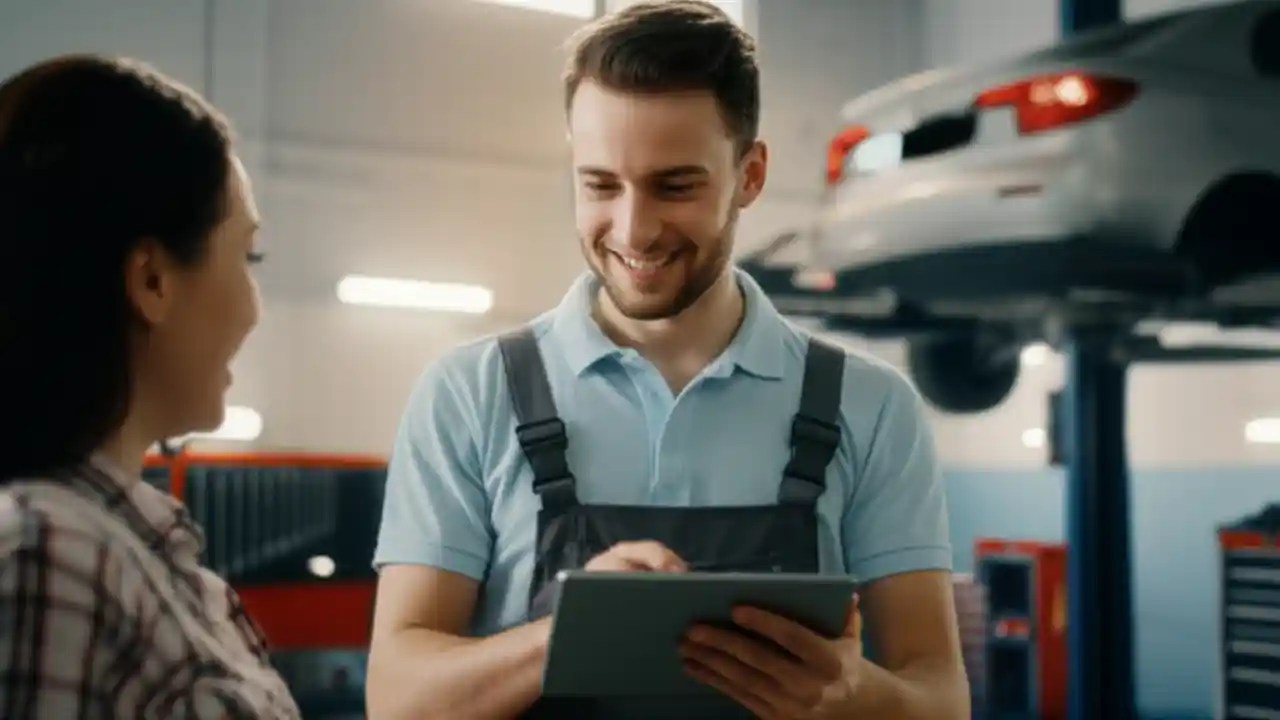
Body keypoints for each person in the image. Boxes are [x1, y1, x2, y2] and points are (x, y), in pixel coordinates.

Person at [367, 2, 969, 718]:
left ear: (749, 175)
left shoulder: (868, 408)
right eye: (600, 184)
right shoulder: (471, 394)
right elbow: (398, 700)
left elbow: (941, 698)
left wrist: (855, 697)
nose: (633, 229)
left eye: (674, 185)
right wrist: (576, 629)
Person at [0, 55, 300, 718]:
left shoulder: (148, 556)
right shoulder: (47, 552)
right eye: (245, 258)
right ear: (152, 280)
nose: (254, 306)